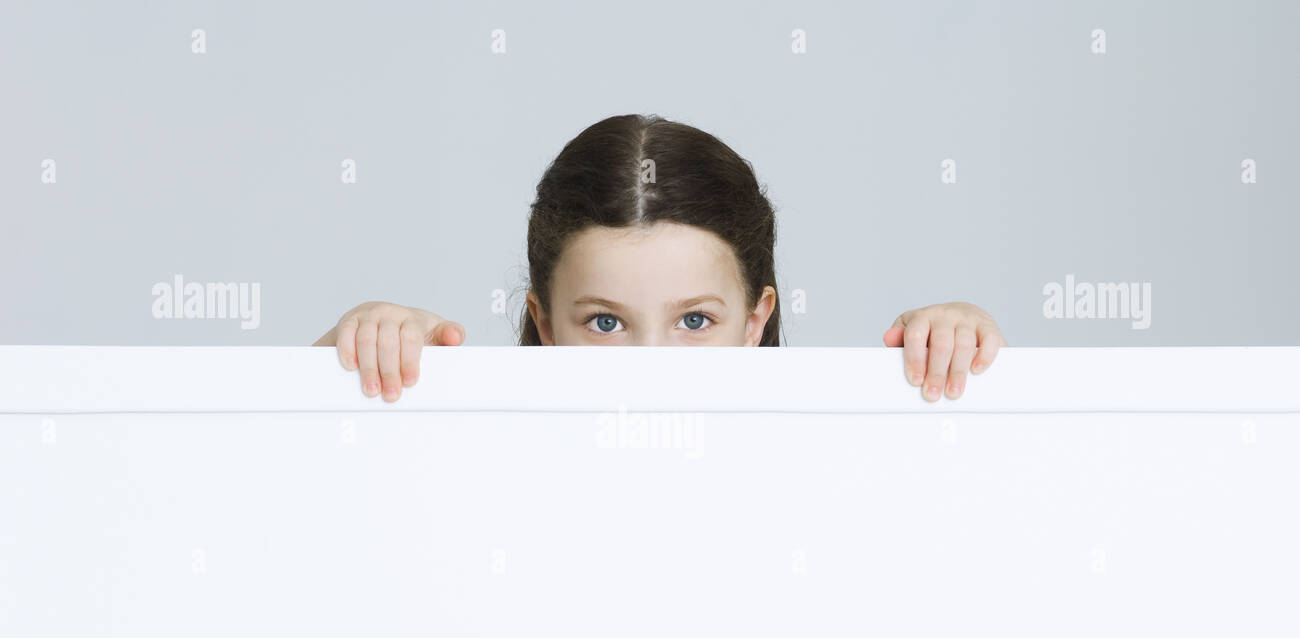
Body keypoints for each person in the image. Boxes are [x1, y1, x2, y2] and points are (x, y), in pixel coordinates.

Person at [315, 113, 1006, 403]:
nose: (653, 365)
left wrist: (958, 348)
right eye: (606, 323)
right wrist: (346, 360)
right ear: (545, 323)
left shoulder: (819, 464)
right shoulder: (479, 462)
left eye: (695, 321)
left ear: (755, 318)